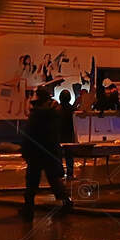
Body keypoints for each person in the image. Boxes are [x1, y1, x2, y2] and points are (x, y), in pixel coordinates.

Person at [20, 86, 73, 221]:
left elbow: (29, 135)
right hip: (49, 153)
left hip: (36, 154)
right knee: (54, 180)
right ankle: (66, 203)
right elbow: (54, 136)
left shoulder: (36, 116)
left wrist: (25, 151)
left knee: (32, 183)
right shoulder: (53, 115)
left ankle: (28, 209)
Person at [56, 86, 78, 182]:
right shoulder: (72, 109)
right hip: (69, 135)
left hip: (59, 135)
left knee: (58, 155)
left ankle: (60, 173)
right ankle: (70, 174)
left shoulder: (57, 109)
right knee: (69, 156)